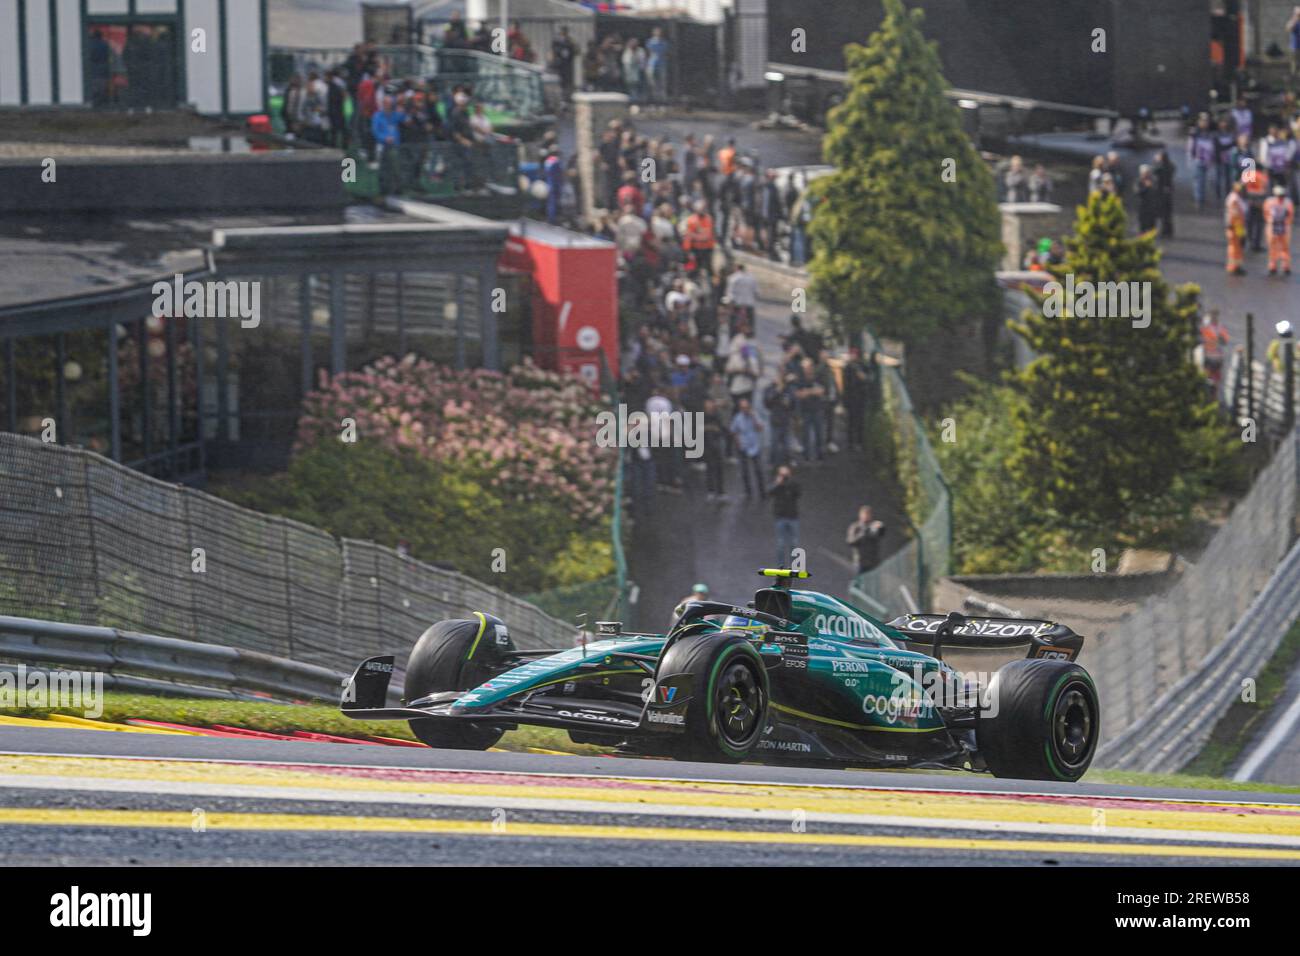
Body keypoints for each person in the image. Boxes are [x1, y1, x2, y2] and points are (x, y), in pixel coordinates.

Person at [730, 396, 765, 500]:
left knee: (758, 470)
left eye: (747, 407)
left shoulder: (755, 415)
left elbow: (760, 428)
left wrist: (754, 418)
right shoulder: (737, 418)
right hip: (743, 446)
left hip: (754, 445)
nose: (745, 410)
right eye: (743, 408)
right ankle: (748, 492)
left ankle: (762, 491)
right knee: (744, 471)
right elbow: (733, 430)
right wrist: (738, 442)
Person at [767, 465, 801, 568]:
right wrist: (778, 484)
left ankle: (795, 565)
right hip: (780, 516)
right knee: (780, 543)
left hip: (792, 516)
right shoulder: (777, 485)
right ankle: (781, 565)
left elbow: (798, 493)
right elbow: (769, 492)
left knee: (794, 543)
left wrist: (788, 483)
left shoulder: (794, 483)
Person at [841, 346, 873, 451]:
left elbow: (868, 379)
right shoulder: (848, 367)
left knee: (860, 421)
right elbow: (845, 384)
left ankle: (859, 442)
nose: (852, 356)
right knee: (850, 421)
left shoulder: (863, 366)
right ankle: (850, 443)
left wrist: (863, 377)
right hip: (850, 397)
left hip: (860, 397)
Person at [371, 95, 405, 195]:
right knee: (383, 168)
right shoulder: (378, 116)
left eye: (390, 104)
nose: (389, 106)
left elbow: (404, 118)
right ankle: (383, 189)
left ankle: (397, 188)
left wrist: (401, 109)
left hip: (395, 145)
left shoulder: (394, 115)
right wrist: (384, 138)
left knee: (395, 167)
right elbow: (375, 131)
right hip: (383, 145)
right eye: (387, 104)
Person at [846, 506, 887, 574]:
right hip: (860, 563)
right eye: (865, 514)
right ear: (860, 515)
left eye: (868, 514)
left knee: (874, 583)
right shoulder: (855, 527)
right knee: (861, 582)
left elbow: (881, 534)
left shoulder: (874, 526)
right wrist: (862, 534)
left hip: (874, 563)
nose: (866, 516)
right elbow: (850, 542)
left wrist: (880, 527)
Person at [1188, 113, 1216, 211]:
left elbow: (1212, 146)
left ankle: (1202, 199)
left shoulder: (1210, 133)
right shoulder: (1195, 133)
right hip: (1198, 159)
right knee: (1198, 181)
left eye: (1206, 121)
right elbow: (1190, 147)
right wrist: (1191, 159)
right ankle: (1198, 200)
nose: (1205, 123)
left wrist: (1212, 159)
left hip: (1207, 160)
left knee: (1204, 181)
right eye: (1203, 121)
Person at [1266, 184, 1295, 276]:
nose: (1280, 197)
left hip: (1284, 227)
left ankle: (1286, 265)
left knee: (1285, 247)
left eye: (1282, 195)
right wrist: (1271, 221)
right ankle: (1273, 265)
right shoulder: (1269, 202)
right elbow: (1266, 213)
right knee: (1272, 246)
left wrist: (1286, 222)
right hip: (1273, 227)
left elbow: (1291, 215)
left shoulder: (1288, 203)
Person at [701, 398, 727, 501]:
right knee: (710, 468)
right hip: (706, 445)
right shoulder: (702, 416)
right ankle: (711, 490)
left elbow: (721, 429)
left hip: (717, 444)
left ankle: (721, 491)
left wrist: (712, 429)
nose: (709, 406)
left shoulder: (717, 415)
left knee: (719, 468)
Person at [1226, 182, 1248, 276]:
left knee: (1239, 245)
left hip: (1239, 224)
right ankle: (1234, 266)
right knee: (1235, 246)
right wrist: (1231, 224)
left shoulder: (1236, 197)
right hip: (1235, 225)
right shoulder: (1234, 199)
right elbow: (1233, 213)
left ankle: (1237, 265)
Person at [551, 26, 577, 101]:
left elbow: (574, 51)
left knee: (568, 82)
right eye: (563, 32)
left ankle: (567, 97)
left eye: (565, 32)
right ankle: (562, 97)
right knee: (560, 82)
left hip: (568, 65)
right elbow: (554, 51)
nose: (564, 34)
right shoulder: (557, 41)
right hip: (560, 64)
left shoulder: (570, 41)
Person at [646, 28, 669, 103]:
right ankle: (654, 99)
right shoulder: (650, 42)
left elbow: (665, 52)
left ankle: (662, 100)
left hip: (661, 64)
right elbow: (649, 52)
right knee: (652, 83)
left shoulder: (664, 43)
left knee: (662, 83)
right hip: (652, 64)